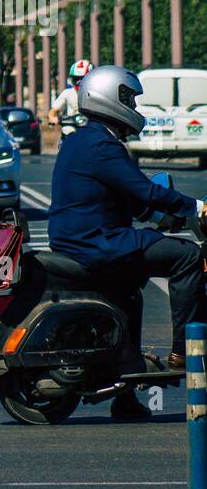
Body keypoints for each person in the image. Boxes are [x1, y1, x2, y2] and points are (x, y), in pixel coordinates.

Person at [48, 65, 207, 419]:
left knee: (128, 294)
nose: (135, 107)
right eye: (130, 98)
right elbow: (145, 190)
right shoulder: (103, 146)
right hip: (97, 242)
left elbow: (124, 197)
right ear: (110, 99)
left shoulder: (82, 140)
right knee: (188, 257)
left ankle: (125, 395)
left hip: (82, 239)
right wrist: (197, 207)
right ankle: (185, 351)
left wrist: (160, 219)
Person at [47, 59, 94, 136]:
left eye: (82, 79)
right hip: (70, 128)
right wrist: (52, 118)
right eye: (76, 79)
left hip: (92, 128)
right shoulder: (67, 93)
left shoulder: (96, 94)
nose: (78, 82)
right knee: (65, 138)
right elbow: (53, 110)